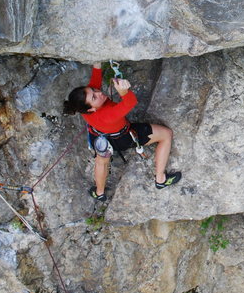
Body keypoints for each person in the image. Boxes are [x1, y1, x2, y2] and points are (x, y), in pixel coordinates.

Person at [63, 63, 180, 201]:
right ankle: (160, 179)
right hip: (123, 138)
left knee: (101, 162)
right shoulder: (107, 115)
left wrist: (97, 66)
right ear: (91, 109)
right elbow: (130, 103)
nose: (99, 93)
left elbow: (94, 83)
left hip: (98, 137)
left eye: (94, 90)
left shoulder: (84, 108)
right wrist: (124, 92)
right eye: (94, 97)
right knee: (166, 134)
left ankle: (99, 193)